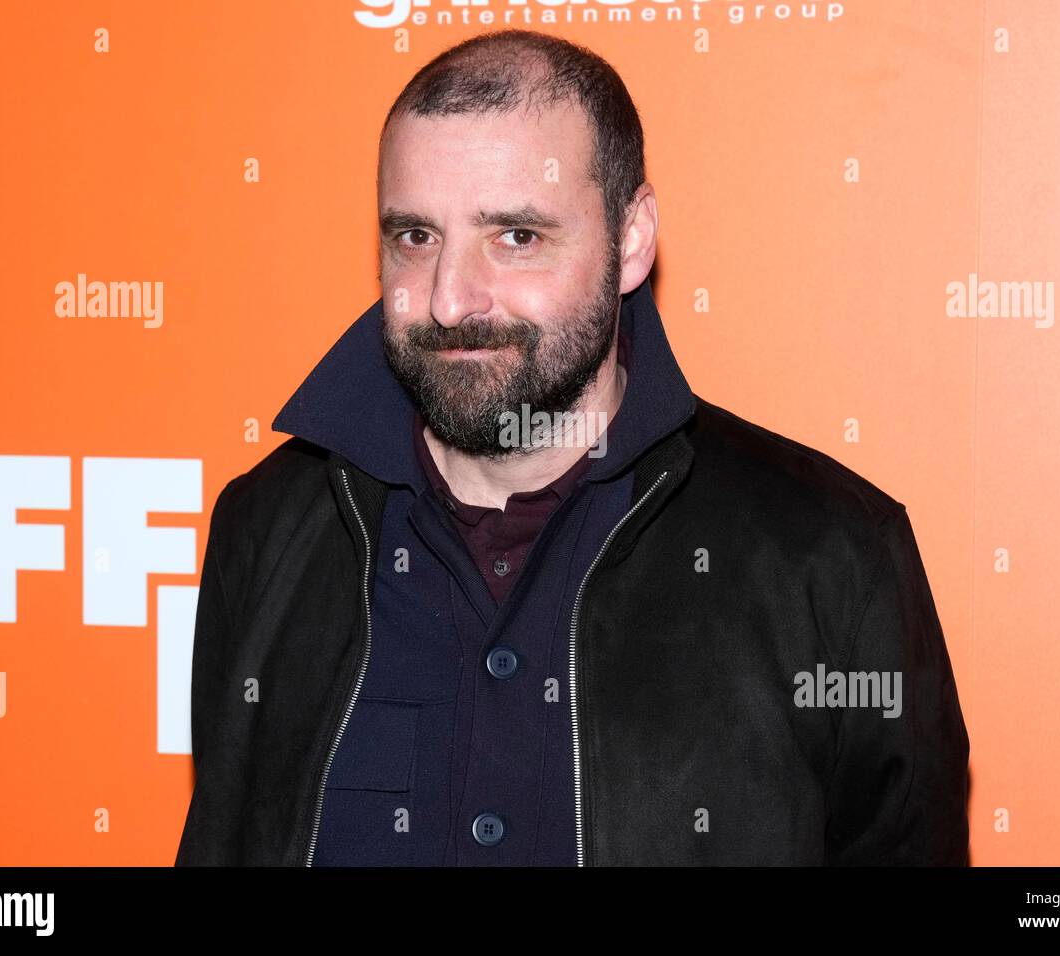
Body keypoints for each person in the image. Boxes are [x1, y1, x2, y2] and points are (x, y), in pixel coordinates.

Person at [174, 28, 969, 867]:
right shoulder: (268, 532)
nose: (450, 299)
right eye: (415, 237)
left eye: (516, 236)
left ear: (631, 241)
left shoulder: (831, 558)